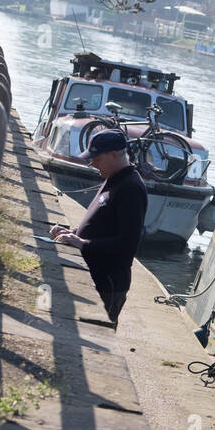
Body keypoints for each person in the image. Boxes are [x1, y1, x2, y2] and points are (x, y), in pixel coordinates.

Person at [49, 130, 147, 326]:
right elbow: (101, 224)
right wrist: (72, 233)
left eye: (97, 159)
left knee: (95, 333)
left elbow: (127, 243)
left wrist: (83, 243)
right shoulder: (113, 178)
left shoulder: (131, 188)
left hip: (108, 282)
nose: (93, 164)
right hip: (94, 274)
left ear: (113, 155)